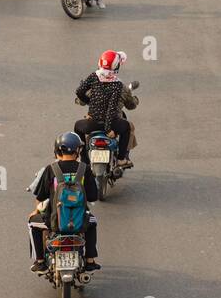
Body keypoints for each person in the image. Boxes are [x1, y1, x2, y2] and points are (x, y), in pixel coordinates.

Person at [28, 132, 101, 273]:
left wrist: (36, 211)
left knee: (32, 222)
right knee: (92, 222)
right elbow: (92, 197)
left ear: (57, 151)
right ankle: (90, 260)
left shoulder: (51, 169)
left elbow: (41, 196)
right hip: (80, 221)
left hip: (54, 222)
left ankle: (40, 262)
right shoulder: (84, 169)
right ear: (78, 151)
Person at [74, 49, 139, 166]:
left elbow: (79, 92)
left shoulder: (94, 77)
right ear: (117, 67)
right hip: (112, 122)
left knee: (77, 126)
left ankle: (84, 159)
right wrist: (108, 129)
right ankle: (121, 159)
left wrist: (90, 102)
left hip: (92, 122)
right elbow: (111, 108)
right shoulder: (118, 84)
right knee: (127, 127)